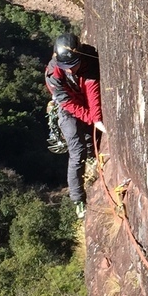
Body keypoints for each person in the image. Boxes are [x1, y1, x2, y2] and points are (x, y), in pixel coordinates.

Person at [45, 33, 104, 218]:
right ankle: (78, 199)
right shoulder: (53, 75)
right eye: (66, 67)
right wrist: (91, 118)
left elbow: (93, 90)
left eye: (73, 66)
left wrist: (95, 119)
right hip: (67, 109)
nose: (70, 70)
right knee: (77, 151)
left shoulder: (89, 59)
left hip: (84, 101)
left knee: (91, 141)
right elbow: (68, 105)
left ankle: (94, 165)